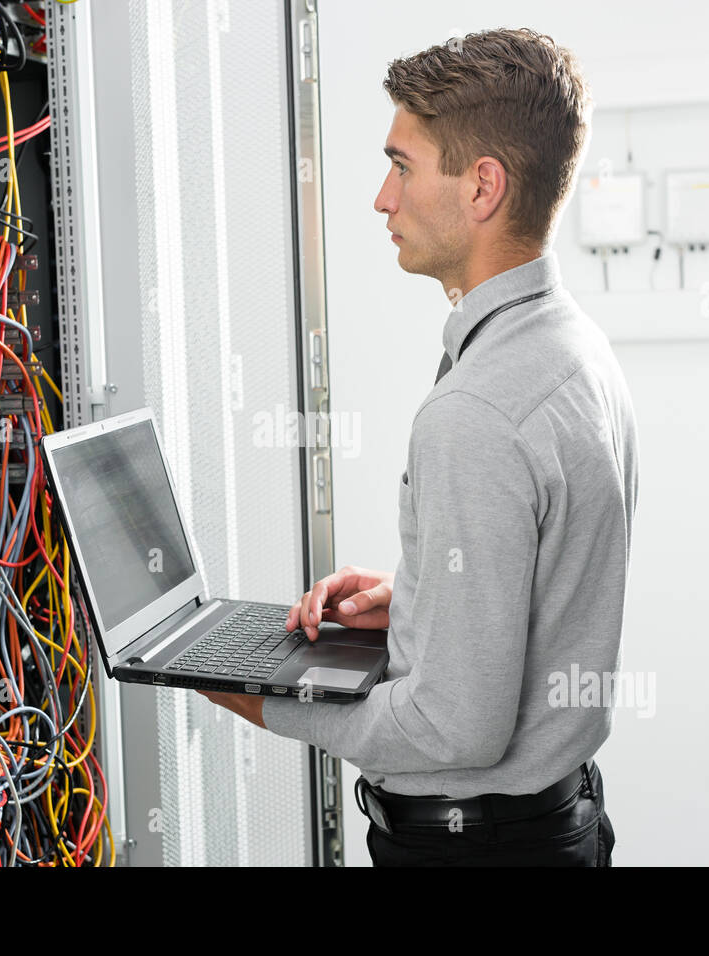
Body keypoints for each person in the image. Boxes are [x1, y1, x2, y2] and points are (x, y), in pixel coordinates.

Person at [199, 26, 638, 867]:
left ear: (482, 187)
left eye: (402, 166)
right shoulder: (575, 347)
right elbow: (553, 584)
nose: (381, 198)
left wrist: (249, 693)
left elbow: (451, 729)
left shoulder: (477, 409)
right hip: (557, 824)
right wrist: (428, 598)